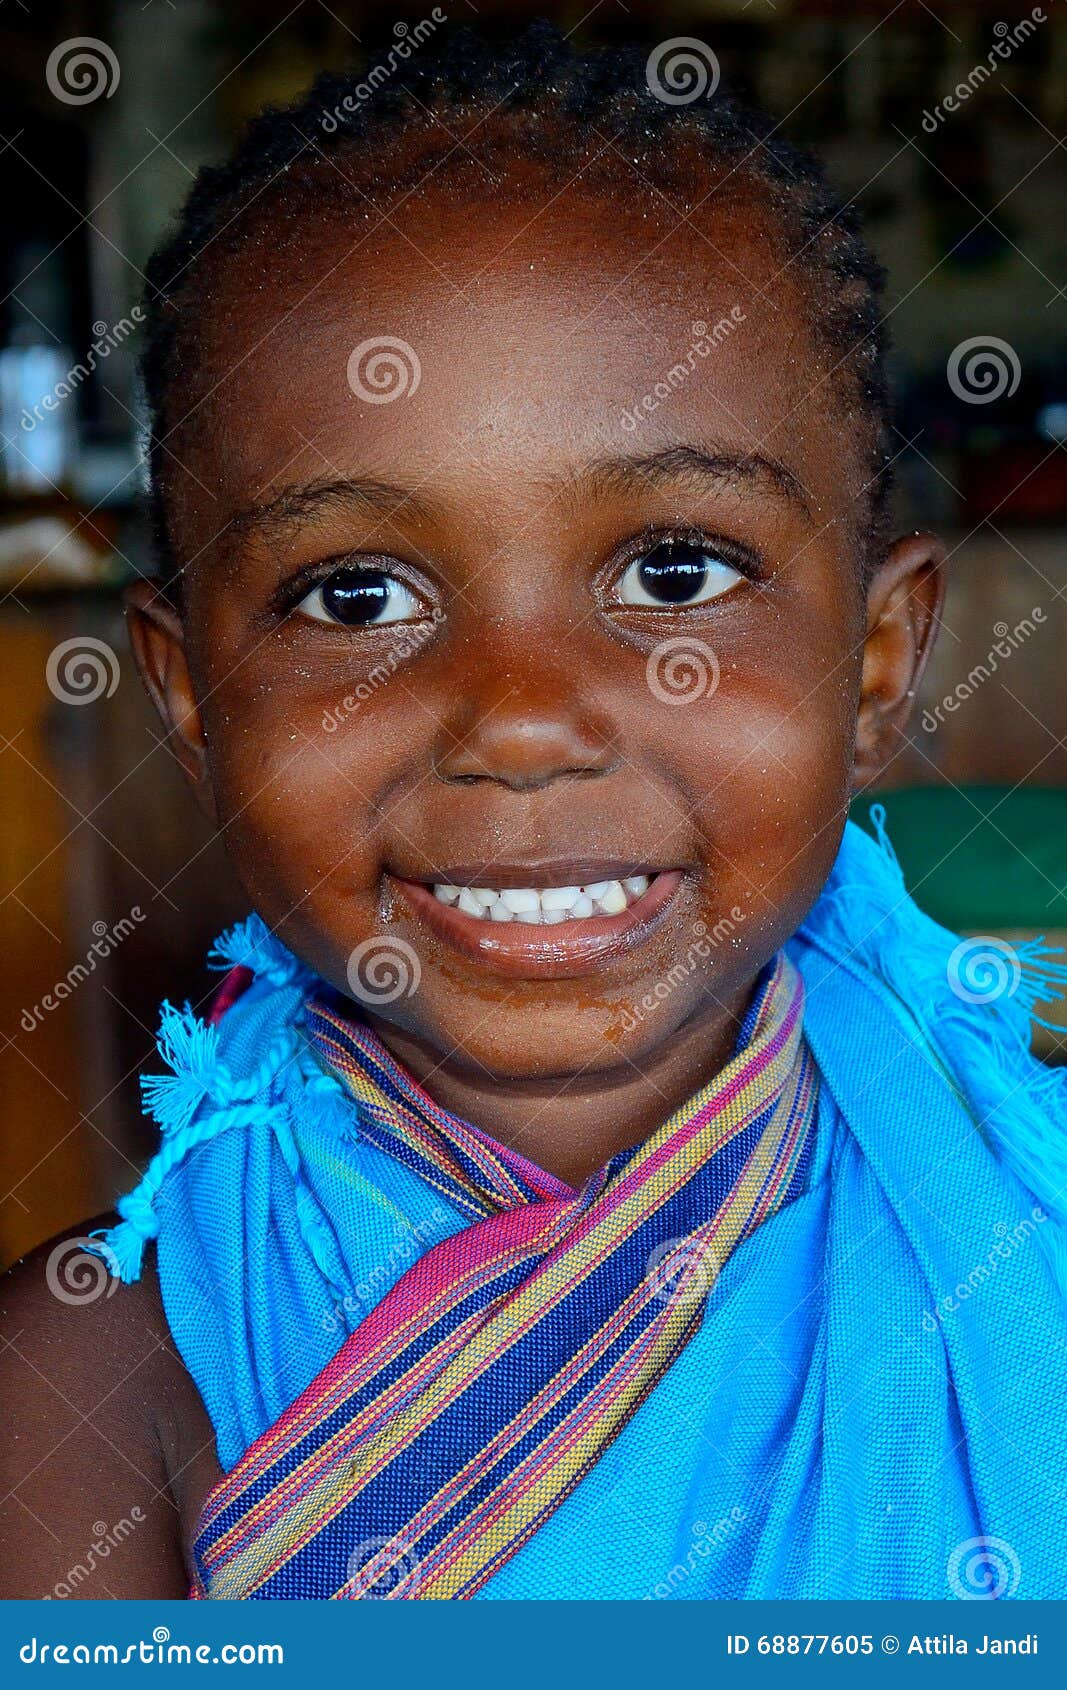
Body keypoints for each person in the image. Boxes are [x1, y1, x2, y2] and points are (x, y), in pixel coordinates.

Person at [3, 21, 1066, 1602]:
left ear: (878, 658)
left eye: (676, 573)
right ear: (187, 697)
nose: (519, 718)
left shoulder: (1025, 1241)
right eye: (356, 594)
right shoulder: (98, 1375)